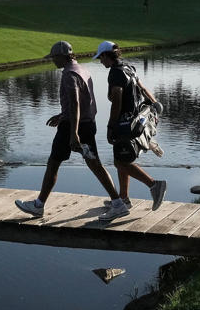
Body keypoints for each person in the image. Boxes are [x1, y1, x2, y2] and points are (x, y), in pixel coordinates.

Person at [15, 41, 130, 221]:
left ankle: (38, 206)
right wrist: (62, 115)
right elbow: (83, 102)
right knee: (95, 164)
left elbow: (76, 104)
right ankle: (118, 203)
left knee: (54, 162)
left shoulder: (69, 74)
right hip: (87, 123)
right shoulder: (81, 69)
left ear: (62, 56)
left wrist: (73, 132)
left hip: (73, 126)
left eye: (54, 57)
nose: (53, 60)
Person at [93, 41, 167, 211]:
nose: (100, 61)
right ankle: (124, 198)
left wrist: (111, 126)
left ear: (106, 55)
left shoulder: (115, 72)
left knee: (120, 162)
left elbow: (117, 100)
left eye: (100, 58)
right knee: (122, 157)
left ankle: (154, 185)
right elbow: (142, 88)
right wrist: (155, 103)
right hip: (135, 120)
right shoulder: (128, 67)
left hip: (124, 122)